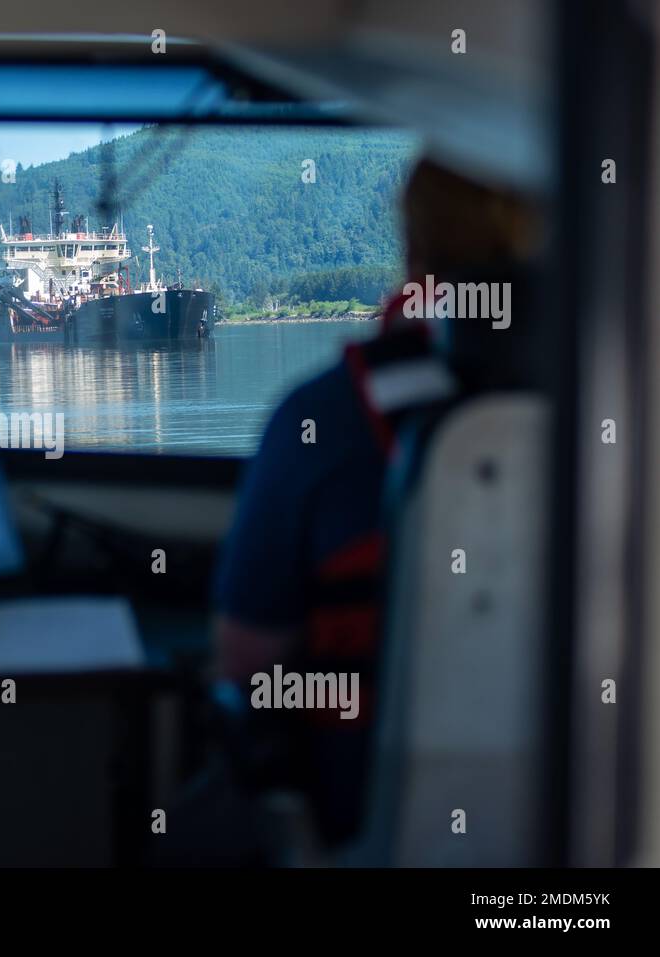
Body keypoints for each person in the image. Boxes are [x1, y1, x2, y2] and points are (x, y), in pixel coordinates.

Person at [209, 158, 541, 848]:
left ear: (415, 251)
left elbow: (245, 657)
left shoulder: (321, 419)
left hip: (367, 821)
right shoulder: (624, 409)